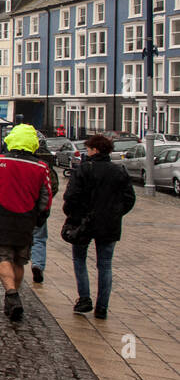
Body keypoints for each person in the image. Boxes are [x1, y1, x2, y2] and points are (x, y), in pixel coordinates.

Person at [0, 123, 53, 321]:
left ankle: (11, 294)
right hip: (26, 220)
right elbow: (46, 199)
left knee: (4, 257)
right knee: (19, 259)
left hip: (0, 218)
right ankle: (14, 294)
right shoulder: (41, 168)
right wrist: (38, 219)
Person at [62, 133, 135, 319]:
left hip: (82, 223)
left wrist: (72, 214)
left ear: (94, 150)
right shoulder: (119, 171)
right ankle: (102, 306)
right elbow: (129, 199)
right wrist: (115, 213)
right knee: (105, 265)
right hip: (108, 224)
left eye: (88, 148)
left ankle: (85, 298)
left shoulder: (84, 170)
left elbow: (71, 196)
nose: (87, 151)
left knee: (79, 260)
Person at [29, 135, 61, 284]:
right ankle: (37, 264)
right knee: (39, 239)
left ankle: (14, 264)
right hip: (41, 209)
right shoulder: (47, 165)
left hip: (24, 207)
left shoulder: (29, 161)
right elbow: (53, 187)